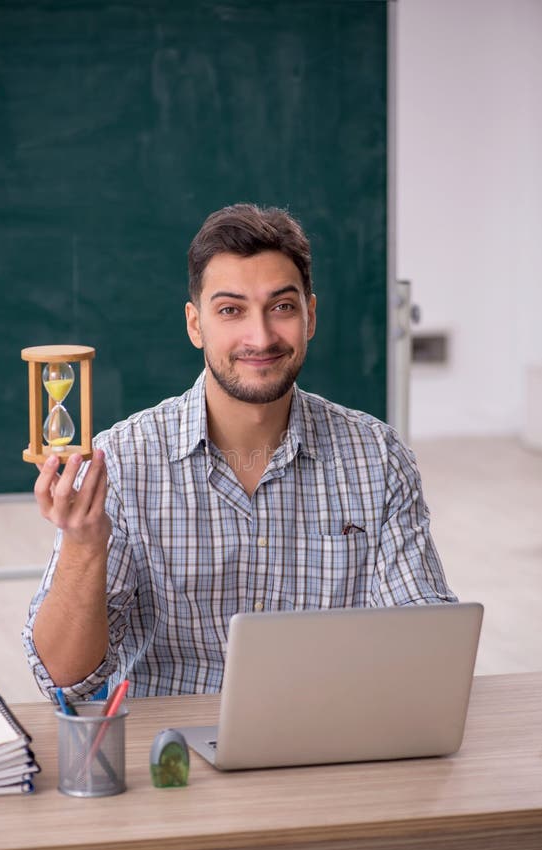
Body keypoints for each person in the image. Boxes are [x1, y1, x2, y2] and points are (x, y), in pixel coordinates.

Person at [23, 203, 457, 700]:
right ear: (195, 324)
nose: (261, 336)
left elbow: (426, 637)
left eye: (282, 307)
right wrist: (83, 547)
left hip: (328, 742)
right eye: (231, 310)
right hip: (172, 756)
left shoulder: (378, 457)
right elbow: (64, 679)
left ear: (310, 316)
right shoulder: (121, 460)